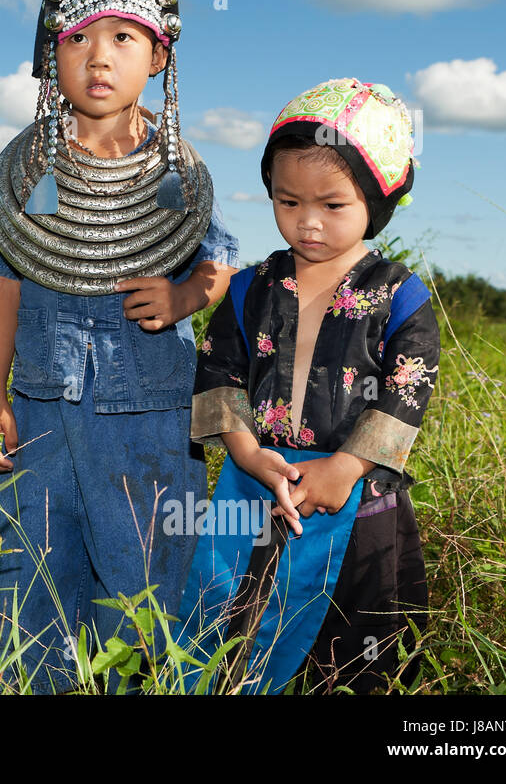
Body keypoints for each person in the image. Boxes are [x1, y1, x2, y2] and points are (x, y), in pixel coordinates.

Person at [0, 0, 238, 695]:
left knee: (147, 563)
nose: (99, 57)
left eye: (123, 38)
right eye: (78, 39)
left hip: (150, 409)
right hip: (44, 402)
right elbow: (3, 282)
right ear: (51, 56)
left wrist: (183, 294)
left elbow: (218, 262)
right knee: (36, 563)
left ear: (157, 57)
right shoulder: (27, 174)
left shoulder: (179, 174)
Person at [177, 77, 438, 694]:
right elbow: (220, 371)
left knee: (348, 643)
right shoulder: (252, 288)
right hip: (258, 483)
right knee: (232, 615)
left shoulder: (399, 297)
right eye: (288, 201)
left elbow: (408, 391)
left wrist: (344, 467)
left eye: (333, 204)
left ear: (378, 201)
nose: (308, 223)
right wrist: (245, 451)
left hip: (356, 495)